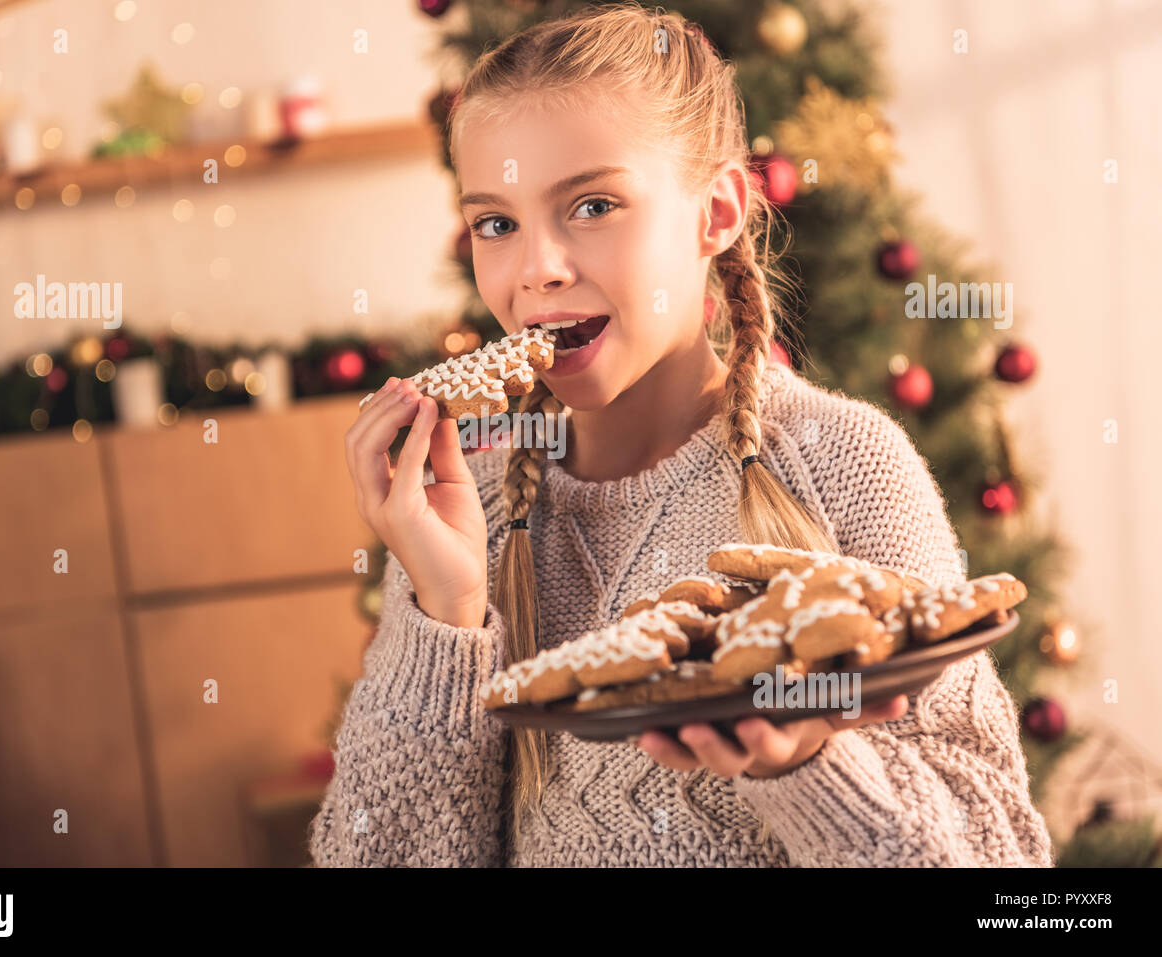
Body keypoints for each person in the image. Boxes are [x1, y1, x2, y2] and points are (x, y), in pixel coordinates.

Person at [312, 2, 1053, 867]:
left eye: (592, 204)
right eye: (496, 223)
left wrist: (810, 763)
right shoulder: (466, 511)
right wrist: (447, 615)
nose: (536, 267)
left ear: (717, 211)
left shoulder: (845, 465)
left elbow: (1004, 877)